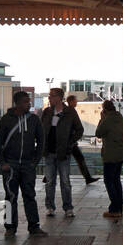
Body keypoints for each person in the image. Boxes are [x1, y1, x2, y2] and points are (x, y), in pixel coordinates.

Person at [0, 91, 47, 237]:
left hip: (28, 165)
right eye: (25, 102)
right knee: (10, 197)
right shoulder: (6, 120)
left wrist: (35, 162)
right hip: (10, 165)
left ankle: (34, 226)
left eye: (29, 101)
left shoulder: (34, 120)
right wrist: (2, 162)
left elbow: (41, 141)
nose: (29, 104)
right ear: (17, 103)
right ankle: (9, 227)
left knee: (30, 195)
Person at [40, 87, 84, 218]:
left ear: (59, 97)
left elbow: (79, 129)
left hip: (63, 152)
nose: (49, 98)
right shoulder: (47, 112)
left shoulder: (70, 112)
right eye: (49, 95)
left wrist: (70, 143)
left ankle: (68, 207)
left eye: (52, 95)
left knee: (65, 181)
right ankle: (50, 207)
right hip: (49, 151)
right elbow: (41, 129)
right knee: (49, 182)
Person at [94, 99, 123, 218]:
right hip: (121, 154)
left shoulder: (107, 120)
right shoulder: (121, 118)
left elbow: (98, 133)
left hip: (110, 155)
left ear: (105, 110)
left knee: (108, 181)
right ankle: (119, 208)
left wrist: (101, 119)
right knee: (116, 180)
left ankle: (114, 209)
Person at [66, 95, 100, 184]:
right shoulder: (72, 111)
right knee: (79, 159)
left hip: (69, 140)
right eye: (75, 100)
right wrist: (74, 138)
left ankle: (88, 178)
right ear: (71, 102)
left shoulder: (66, 111)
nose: (76, 102)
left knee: (63, 159)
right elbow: (78, 126)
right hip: (71, 141)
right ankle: (87, 178)